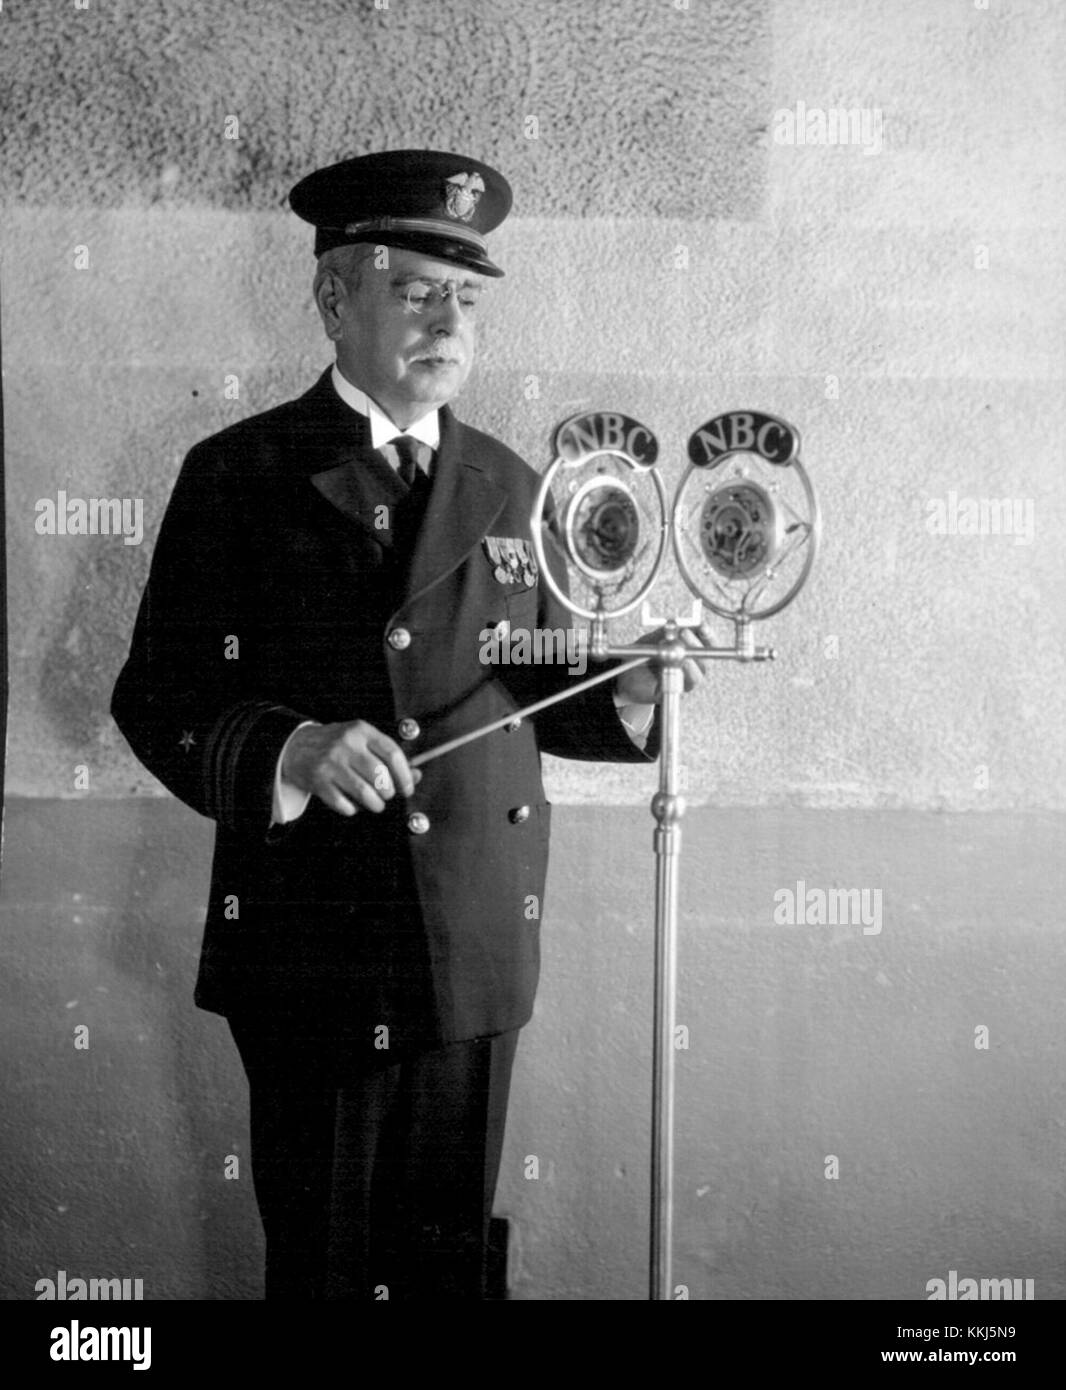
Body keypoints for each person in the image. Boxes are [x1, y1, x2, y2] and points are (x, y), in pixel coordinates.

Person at [111, 149, 700, 1300]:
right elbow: (156, 696)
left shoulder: (515, 484)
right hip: (313, 949)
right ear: (334, 300)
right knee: (326, 1262)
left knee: (447, 1261)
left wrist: (627, 692)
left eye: (466, 298)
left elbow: (529, 682)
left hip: (475, 937)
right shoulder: (238, 473)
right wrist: (287, 747)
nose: (449, 321)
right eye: (415, 291)